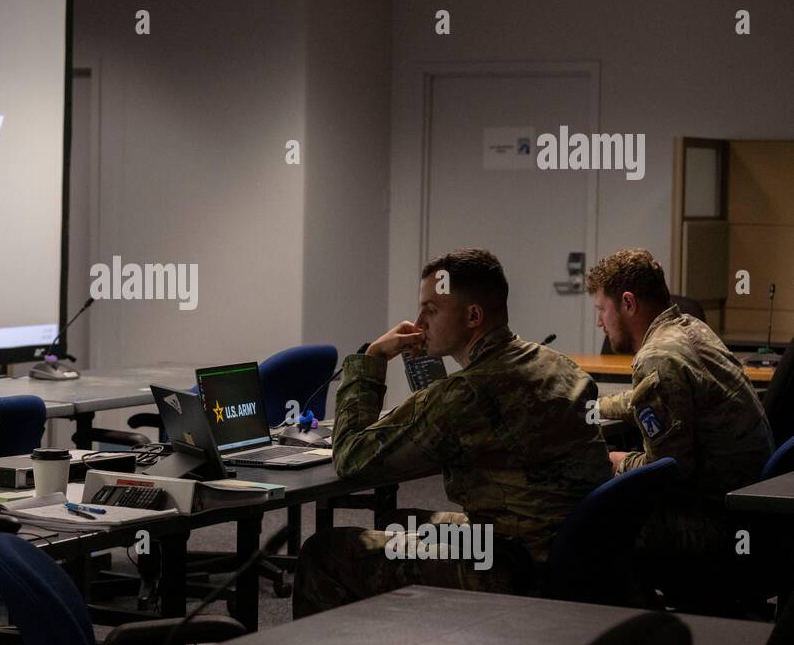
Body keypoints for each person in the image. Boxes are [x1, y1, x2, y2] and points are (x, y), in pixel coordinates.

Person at [294, 249, 609, 618]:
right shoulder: (554, 362)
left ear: (473, 316)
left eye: (431, 310)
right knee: (398, 522)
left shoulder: (468, 391)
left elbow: (351, 458)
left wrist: (373, 360)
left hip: (512, 561)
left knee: (326, 552)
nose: (418, 322)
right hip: (573, 550)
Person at [586, 248, 773, 609]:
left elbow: (667, 473)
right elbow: (648, 398)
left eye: (600, 310)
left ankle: (642, 633)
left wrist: (616, 463)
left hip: (716, 522)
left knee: (598, 522)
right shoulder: (689, 329)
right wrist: (594, 409)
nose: (599, 324)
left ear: (627, 303)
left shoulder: (658, 355)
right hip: (750, 512)